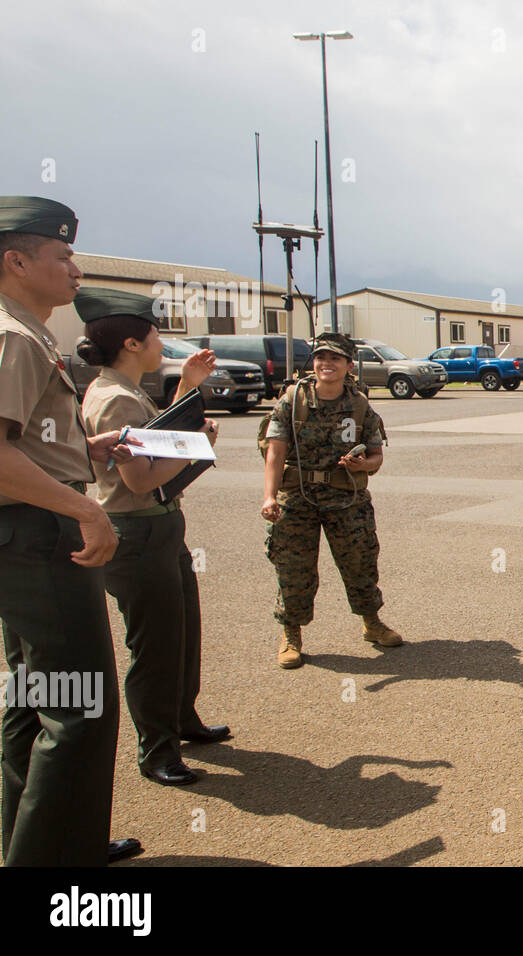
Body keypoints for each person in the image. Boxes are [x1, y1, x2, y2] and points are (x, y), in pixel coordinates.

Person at [0, 196, 140, 865]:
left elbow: (27, 443)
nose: (74, 269)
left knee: (35, 698)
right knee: (79, 708)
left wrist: (89, 451)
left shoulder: (26, 331)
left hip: (29, 530)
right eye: (61, 256)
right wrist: (86, 507)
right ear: (15, 261)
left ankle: (45, 842)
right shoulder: (13, 335)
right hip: (39, 537)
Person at [78, 287, 231, 788]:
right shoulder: (115, 398)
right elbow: (140, 479)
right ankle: (158, 750)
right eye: (154, 333)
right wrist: (198, 445)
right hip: (138, 530)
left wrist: (188, 387)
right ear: (130, 343)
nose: (160, 340)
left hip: (161, 527)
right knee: (157, 646)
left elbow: (161, 432)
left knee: (182, 631)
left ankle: (182, 720)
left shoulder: (125, 388)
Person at [261, 332, 400, 668]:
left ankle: (371, 622)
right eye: (321, 358)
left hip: (346, 496)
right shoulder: (293, 399)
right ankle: (291, 634)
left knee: (360, 561)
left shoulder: (359, 404)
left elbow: (376, 457)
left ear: (348, 366)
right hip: (297, 496)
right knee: (293, 567)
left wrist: (361, 464)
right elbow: (275, 451)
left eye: (335, 359)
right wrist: (269, 496)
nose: (326, 364)